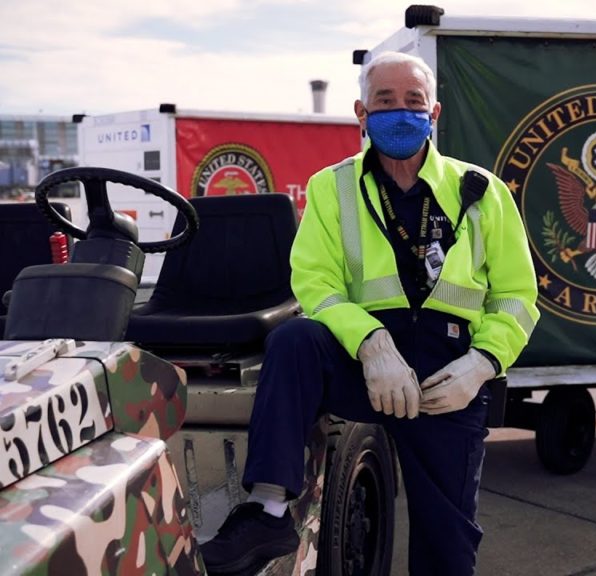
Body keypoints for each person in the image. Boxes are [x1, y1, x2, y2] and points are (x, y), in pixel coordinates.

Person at [198, 51, 540, 575]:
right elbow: (316, 283)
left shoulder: (482, 192)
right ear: (361, 112)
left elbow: (517, 296)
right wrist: (372, 344)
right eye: (385, 102)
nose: (400, 113)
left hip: (449, 372)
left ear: (435, 114)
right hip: (366, 363)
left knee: (448, 552)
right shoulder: (330, 187)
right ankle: (267, 511)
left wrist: (481, 365)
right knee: (293, 342)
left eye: (413, 102)